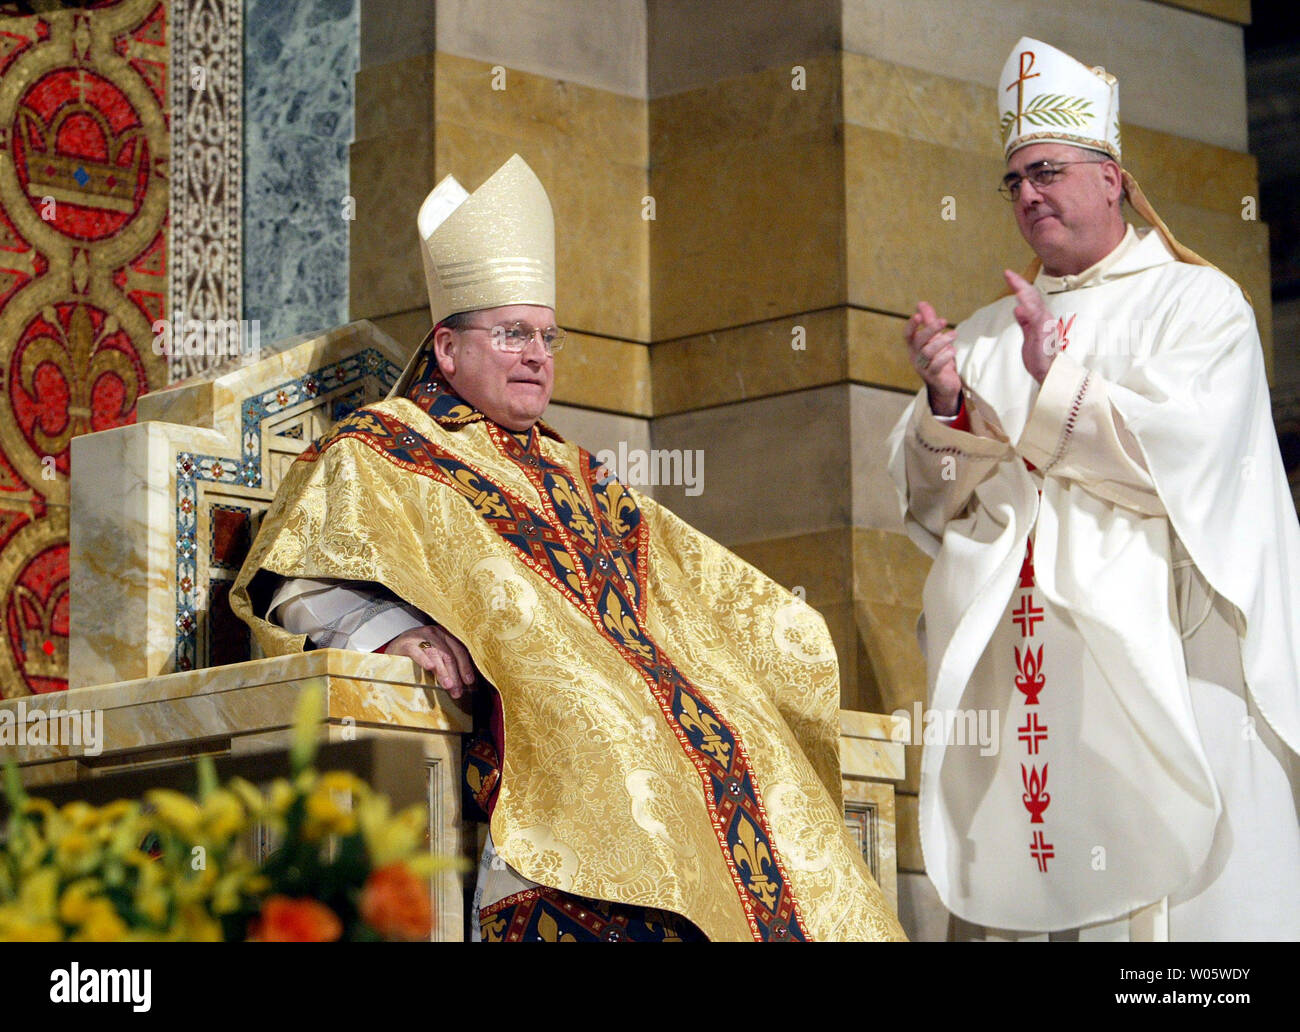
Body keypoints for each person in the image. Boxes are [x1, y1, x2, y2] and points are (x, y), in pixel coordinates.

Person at [232, 154, 904, 942]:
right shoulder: (380, 448)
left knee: (745, 739)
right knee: (626, 756)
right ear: (447, 350)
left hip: (661, 730)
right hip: (560, 745)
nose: (538, 357)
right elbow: (301, 574)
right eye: (514, 335)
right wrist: (388, 632)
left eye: (549, 337)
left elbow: (685, 588)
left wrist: (769, 645)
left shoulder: (576, 469)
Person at [888, 37, 1300, 941]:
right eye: (1014, 180)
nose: (1029, 194)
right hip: (1028, 684)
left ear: (1111, 177)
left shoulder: (1198, 306)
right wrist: (949, 401)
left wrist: (1055, 387)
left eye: (1048, 171)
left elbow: (1185, 459)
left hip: (1168, 664)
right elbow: (927, 501)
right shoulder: (990, 326)